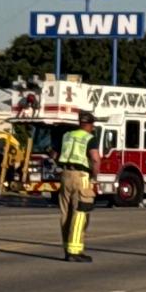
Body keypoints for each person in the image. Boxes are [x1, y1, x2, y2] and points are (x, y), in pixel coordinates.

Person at [57, 110, 102, 263]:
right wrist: (94, 177)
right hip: (81, 176)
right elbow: (95, 159)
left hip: (64, 175)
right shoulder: (90, 138)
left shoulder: (67, 136)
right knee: (80, 214)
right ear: (89, 125)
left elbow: (53, 153)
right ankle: (75, 252)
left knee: (66, 214)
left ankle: (67, 248)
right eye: (92, 125)